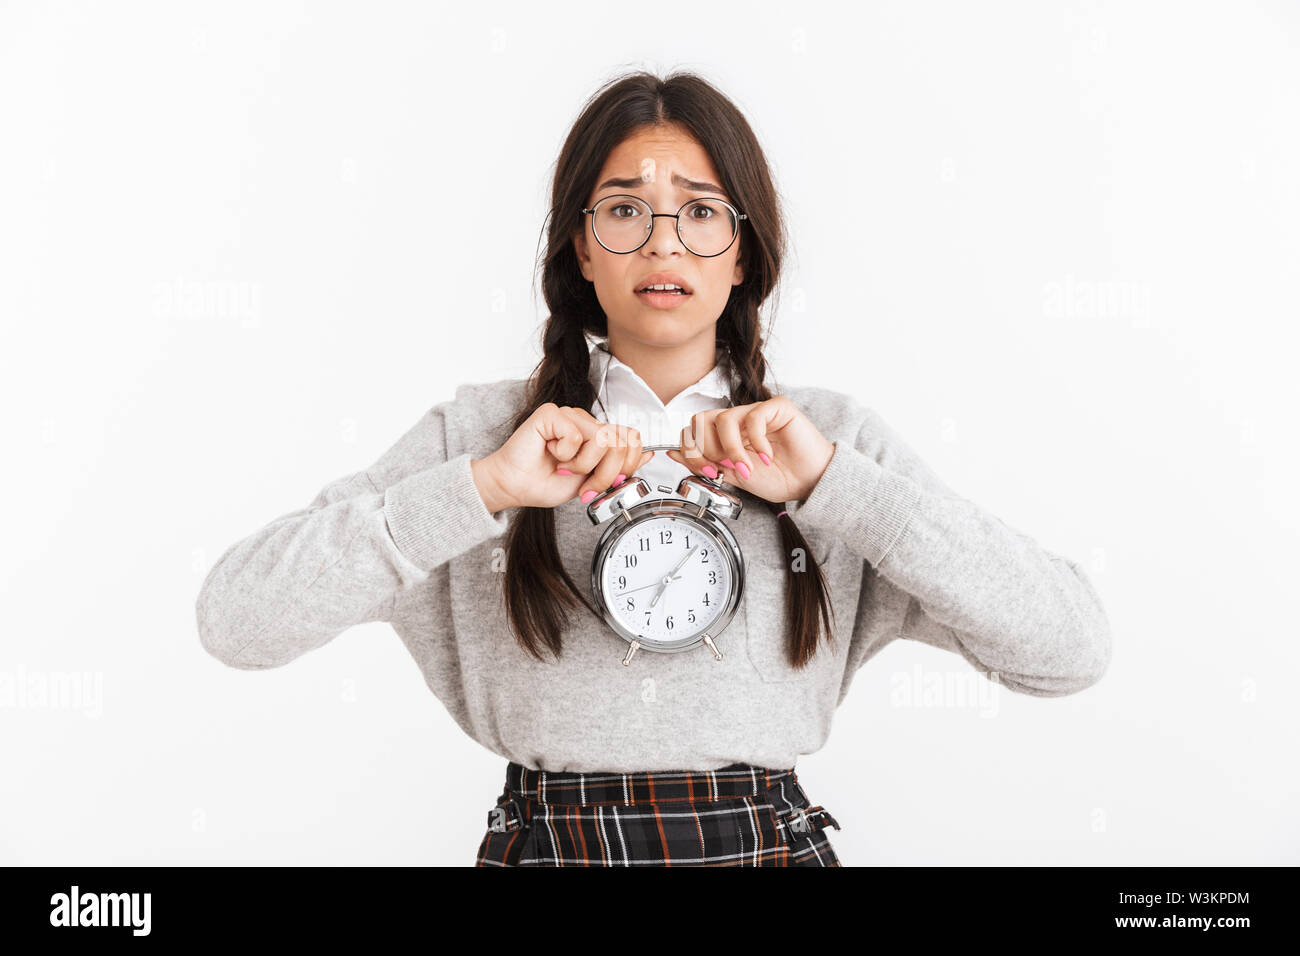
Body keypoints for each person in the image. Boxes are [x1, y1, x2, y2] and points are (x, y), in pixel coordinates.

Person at [195, 70, 1112, 867]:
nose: (664, 245)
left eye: (702, 212)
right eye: (625, 209)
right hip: (547, 846)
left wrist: (836, 488)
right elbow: (237, 621)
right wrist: (486, 490)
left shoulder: (826, 442)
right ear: (582, 246)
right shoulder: (481, 437)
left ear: (745, 251)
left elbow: (1070, 651)